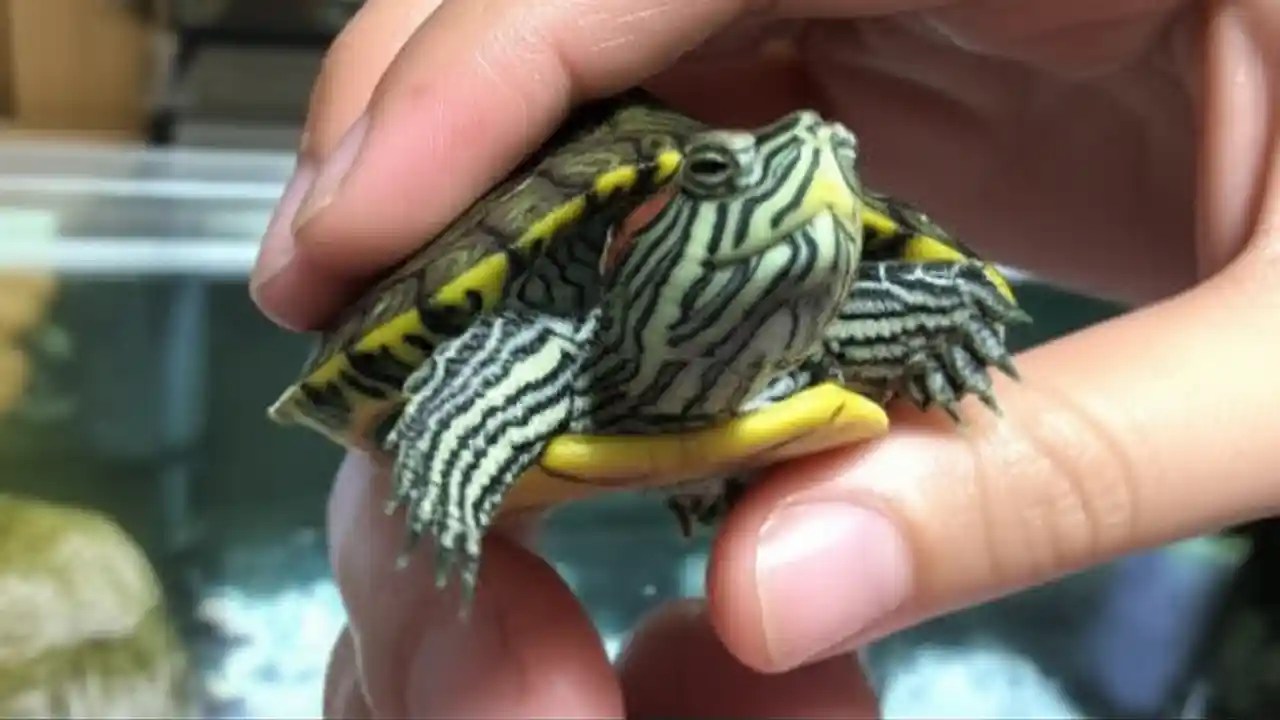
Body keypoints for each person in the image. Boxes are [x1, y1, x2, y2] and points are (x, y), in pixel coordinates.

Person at [250, 1, 1279, 716]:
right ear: (638, 233)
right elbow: (447, 384)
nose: (819, 169)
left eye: (835, 163)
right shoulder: (543, 330)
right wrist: (447, 453)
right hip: (549, 359)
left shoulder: (832, 304)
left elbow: (944, 297)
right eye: (719, 177)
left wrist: (955, 324)